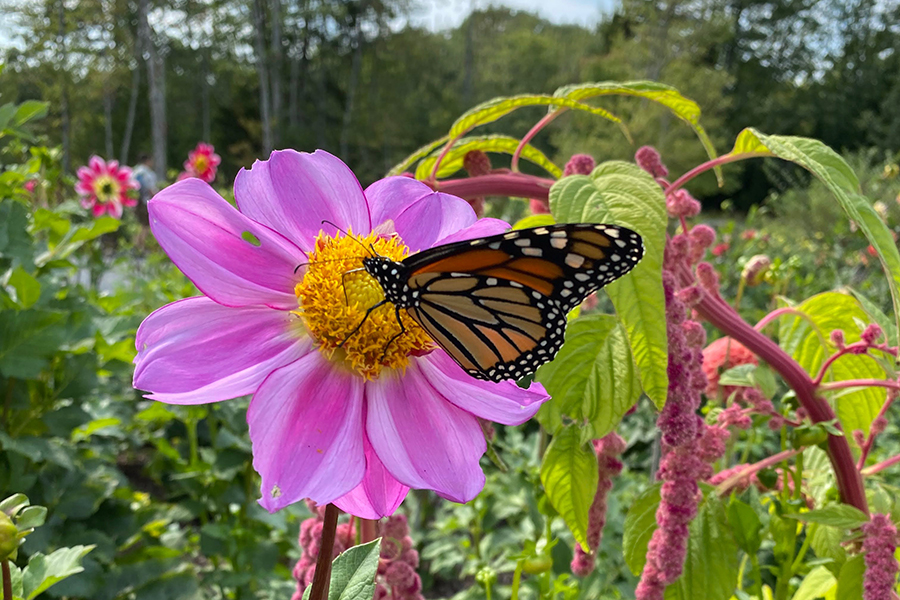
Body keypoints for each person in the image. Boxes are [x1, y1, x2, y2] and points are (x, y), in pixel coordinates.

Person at [132, 154, 158, 227]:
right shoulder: (148, 173)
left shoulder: (134, 171)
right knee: (145, 224)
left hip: (135, 201)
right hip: (145, 201)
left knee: (138, 223)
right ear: (147, 161)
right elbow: (151, 188)